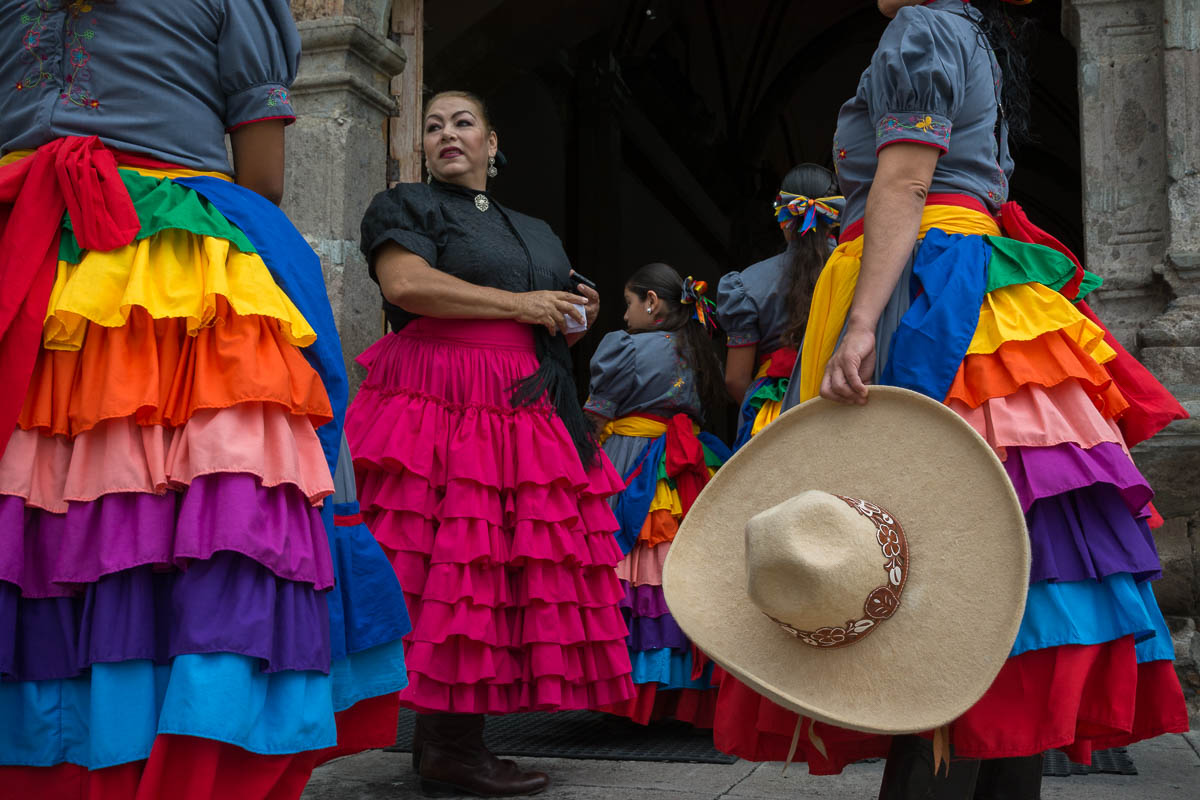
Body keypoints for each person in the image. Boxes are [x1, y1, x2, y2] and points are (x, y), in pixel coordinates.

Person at [723, 1, 1192, 797]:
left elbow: (903, 181)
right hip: (984, 286)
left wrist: (862, 324)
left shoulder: (922, 28)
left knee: (924, 563)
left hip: (932, 289)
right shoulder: (970, 31)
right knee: (1005, 575)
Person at [0, 2, 411, 798]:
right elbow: (259, 177)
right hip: (171, 273)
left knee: (50, 521)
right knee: (196, 521)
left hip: (39, 258)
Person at [348, 89, 635, 797]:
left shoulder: (534, 228)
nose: (447, 133)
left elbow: (554, 305)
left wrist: (580, 312)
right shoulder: (405, 207)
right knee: (443, 559)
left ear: (492, 142)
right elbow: (407, 284)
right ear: (422, 147)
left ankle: (452, 744)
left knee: (494, 567)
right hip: (442, 396)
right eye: (434, 125)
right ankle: (444, 744)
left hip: (523, 400)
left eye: (463, 122)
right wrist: (521, 305)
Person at [583, 263, 731, 727]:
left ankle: (625, 689)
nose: (625, 315)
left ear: (651, 301)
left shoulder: (625, 348)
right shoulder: (699, 352)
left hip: (630, 459)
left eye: (628, 303)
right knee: (669, 567)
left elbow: (597, 413)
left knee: (628, 564)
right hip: (685, 466)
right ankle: (678, 690)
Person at [717, 164, 841, 451]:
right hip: (839, 402)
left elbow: (736, 379)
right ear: (834, 218)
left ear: (783, 217)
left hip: (772, 415)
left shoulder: (745, 284)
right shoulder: (859, 273)